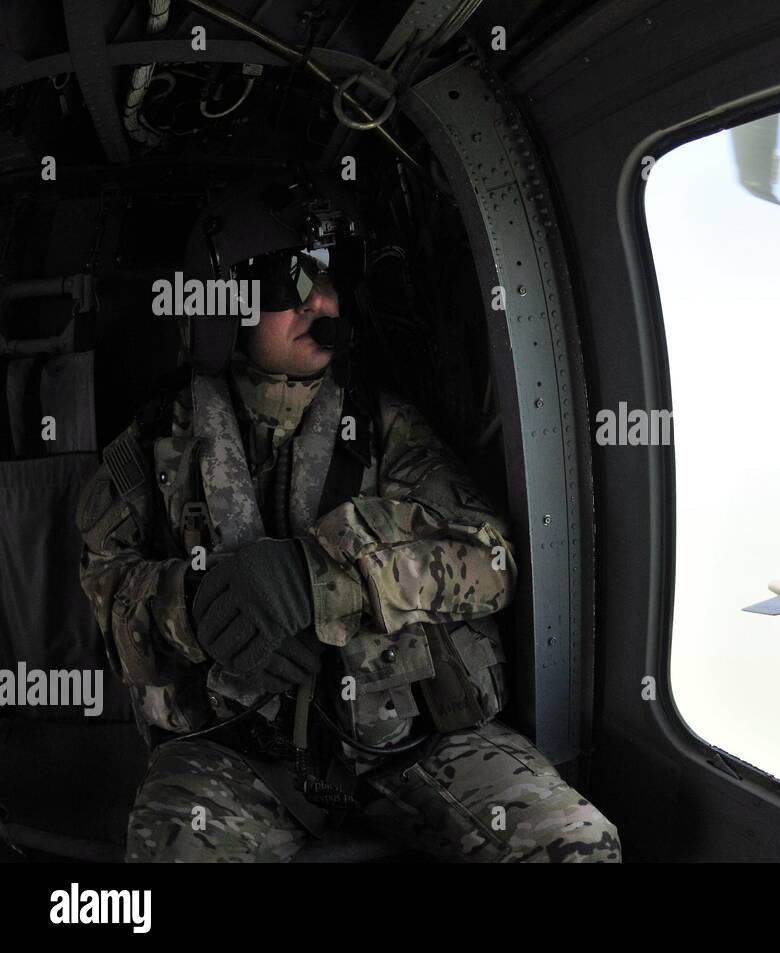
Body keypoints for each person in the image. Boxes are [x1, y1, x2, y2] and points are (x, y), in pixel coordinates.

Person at [76, 171, 619, 862]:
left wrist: (321, 578)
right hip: (237, 754)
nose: (323, 299)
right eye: (290, 281)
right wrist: (203, 606)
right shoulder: (145, 455)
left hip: (417, 738)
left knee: (573, 843)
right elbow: (109, 611)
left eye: (334, 273)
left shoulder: (387, 427)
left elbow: (494, 560)